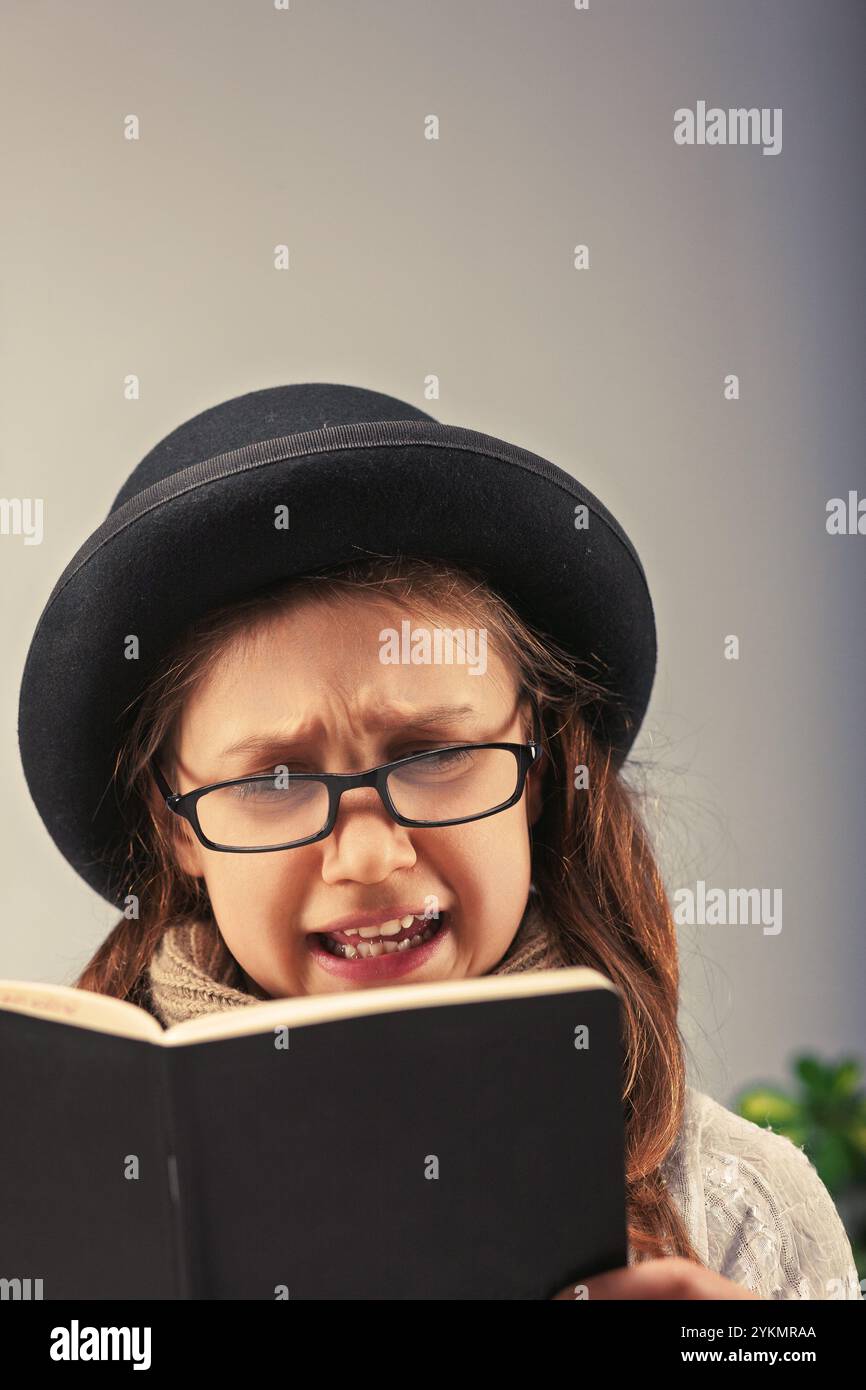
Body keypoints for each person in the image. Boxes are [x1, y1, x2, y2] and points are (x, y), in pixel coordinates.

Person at [18, 383, 862, 1301]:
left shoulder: (742, 1214)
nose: (370, 855)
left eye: (436, 754)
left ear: (535, 766)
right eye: (272, 781)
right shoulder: (38, 1206)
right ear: (176, 822)